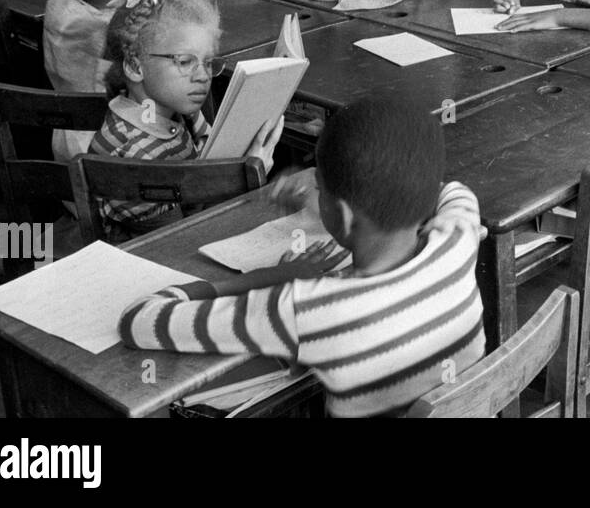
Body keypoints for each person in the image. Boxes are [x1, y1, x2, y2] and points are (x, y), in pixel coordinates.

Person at [120, 96, 486, 417]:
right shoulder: (458, 239)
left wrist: (266, 279)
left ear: (340, 216)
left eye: (319, 190)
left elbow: (140, 320)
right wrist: (360, 183)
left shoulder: (309, 310)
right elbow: (455, 191)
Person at [89, 0, 282, 238]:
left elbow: (209, 167)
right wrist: (245, 179)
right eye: (184, 61)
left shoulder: (176, 111)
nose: (202, 75)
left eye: (206, 62)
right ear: (135, 66)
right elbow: (182, 241)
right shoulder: (133, 156)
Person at [44, 0, 207, 162]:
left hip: (146, 133)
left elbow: (196, 23)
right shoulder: (63, 16)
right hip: (95, 154)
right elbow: (125, 36)